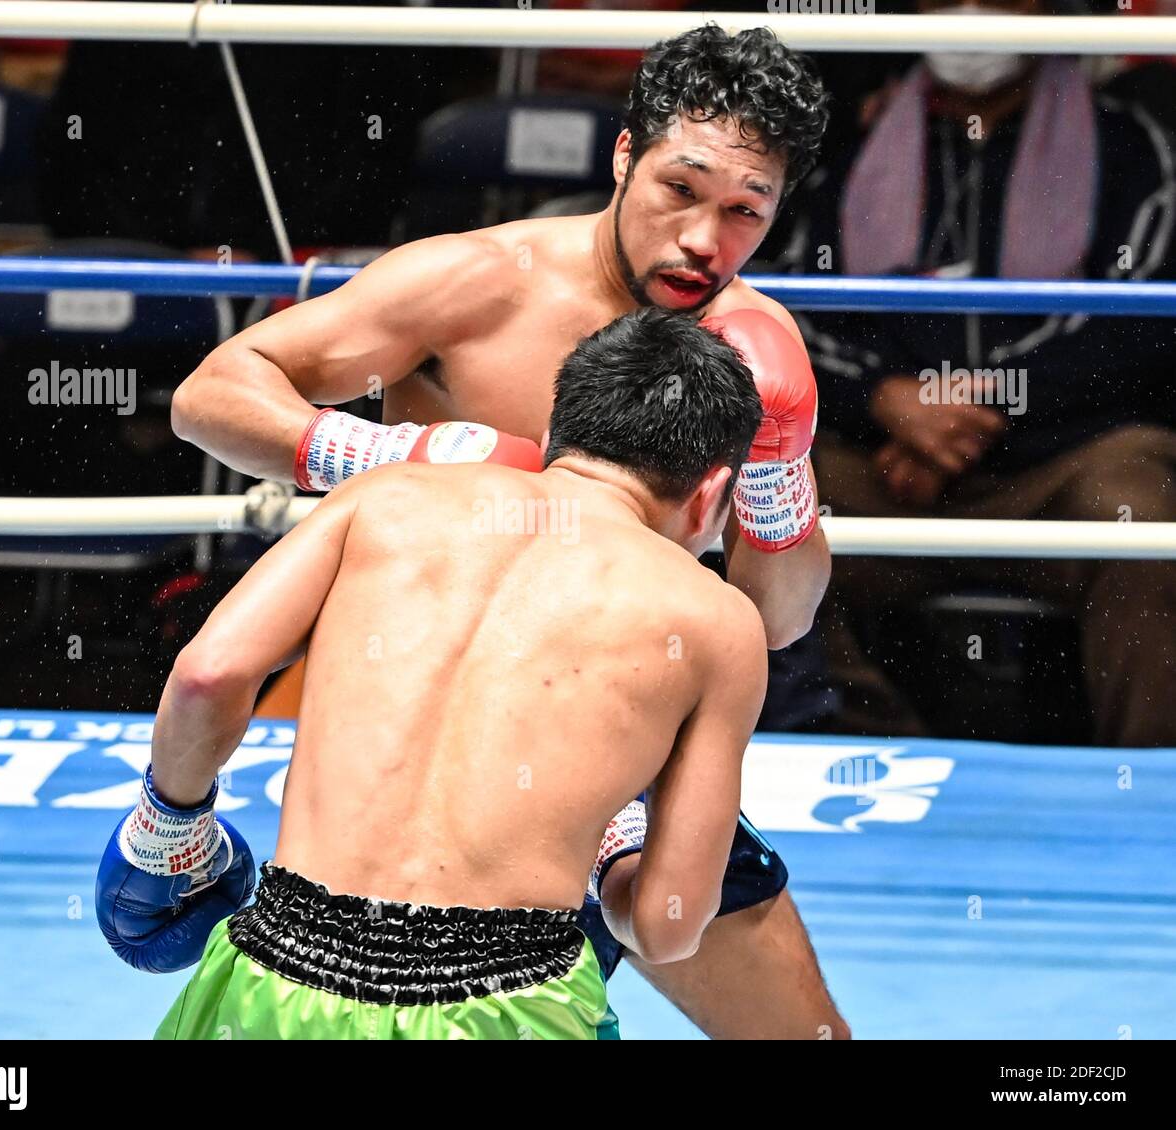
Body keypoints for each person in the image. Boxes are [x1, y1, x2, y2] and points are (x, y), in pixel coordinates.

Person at [171, 24, 848, 1039]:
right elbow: (214, 392)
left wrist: (778, 468)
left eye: (744, 212)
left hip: (619, 745)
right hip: (437, 731)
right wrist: (394, 459)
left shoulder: (750, 348)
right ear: (624, 155)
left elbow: (771, 615)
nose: (705, 239)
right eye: (680, 189)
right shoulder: (477, 282)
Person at [96, 308, 769, 1040]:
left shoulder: (382, 501)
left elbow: (208, 674)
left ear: (552, 439)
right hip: (508, 1006)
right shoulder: (718, 621)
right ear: (713, 495)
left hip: (281, 974)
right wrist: (614, 838)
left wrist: (171, 829)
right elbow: (665, 929)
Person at [782, 0, 1176, 745]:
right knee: (761, 494)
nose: (970, 12)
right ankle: (871, 762)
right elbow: (795, 311)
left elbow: (1141, 328)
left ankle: (1149, 798)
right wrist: (884, 403)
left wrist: (959, 418)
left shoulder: (1130, 143)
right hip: (883, 463)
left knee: (1143, 512)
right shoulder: (845, 146)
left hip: (1058, 466)